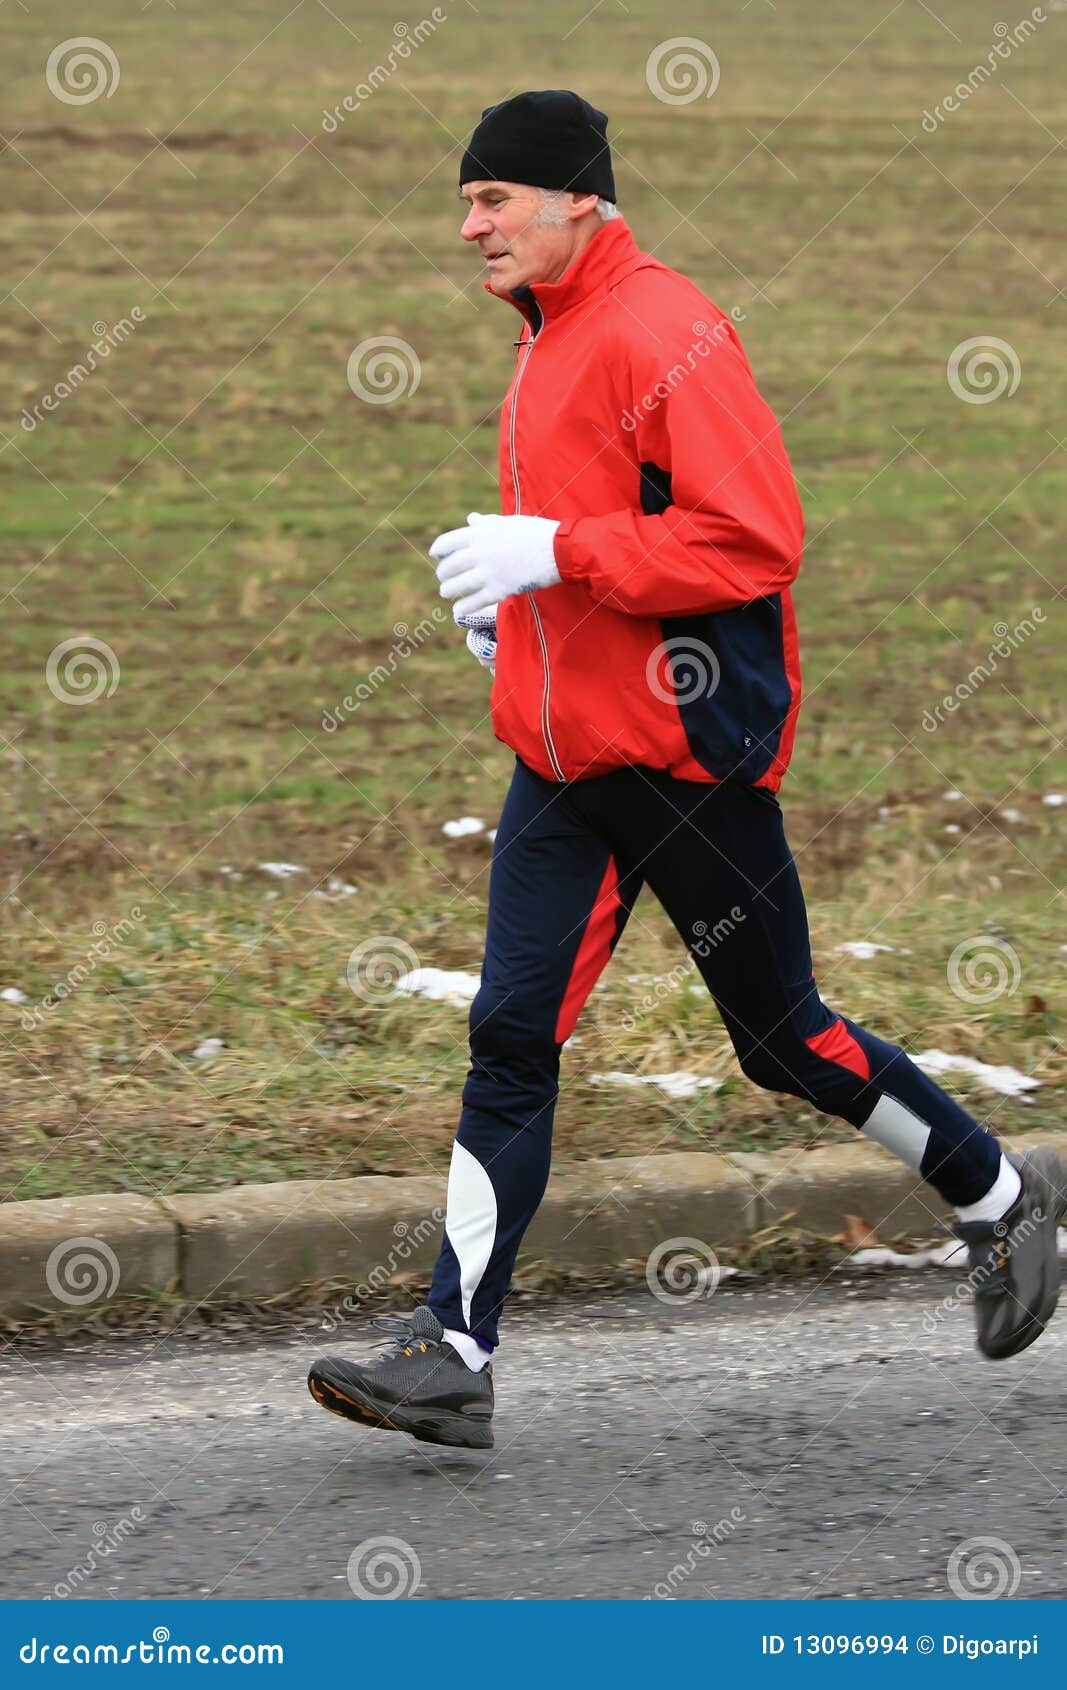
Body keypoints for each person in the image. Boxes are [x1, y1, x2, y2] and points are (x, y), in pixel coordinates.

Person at [308, 90, 1065, 1449]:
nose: (467, 225)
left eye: (492, 200)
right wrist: (514, 617)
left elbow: (753, 538)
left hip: (678, 762)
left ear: (576, 199)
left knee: (783, 1040)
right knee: (509, 1036)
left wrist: (558, 557)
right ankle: (452, 1347)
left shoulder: (662, 329)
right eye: (465, 201)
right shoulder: (551, 335)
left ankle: (999, 1192)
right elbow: (609, 530)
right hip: (562, 761)